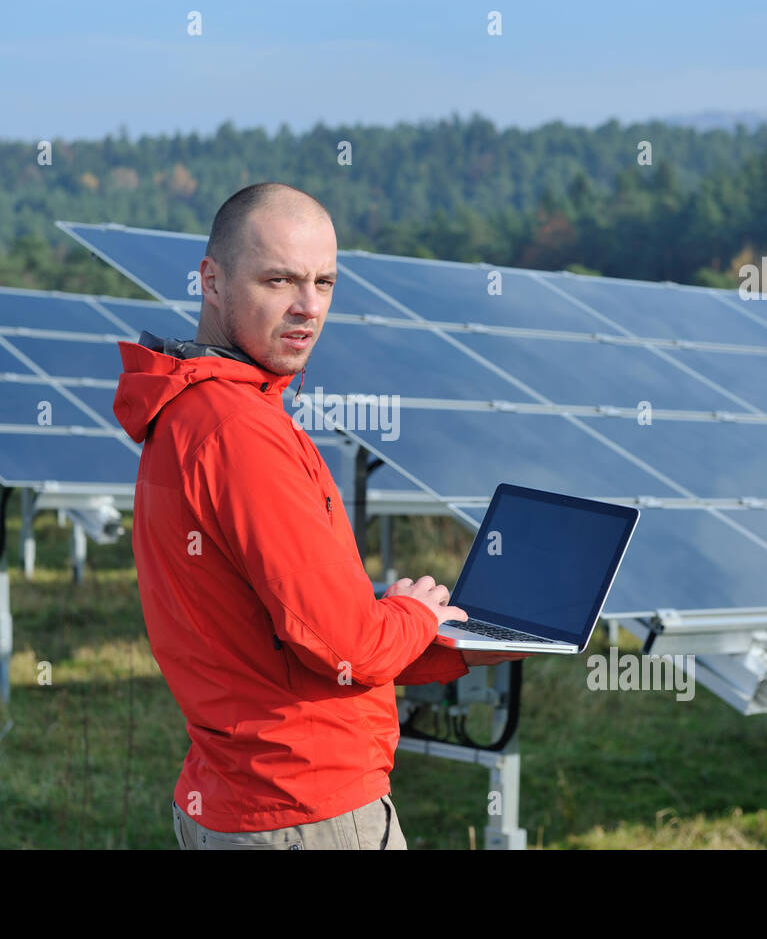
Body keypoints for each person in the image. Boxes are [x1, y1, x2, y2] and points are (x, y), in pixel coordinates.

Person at [113, 182, 525, 850]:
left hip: (238, 794)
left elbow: (278, 633)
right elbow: (345, 648)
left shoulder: (186, 411)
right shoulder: (239, 434)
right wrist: (411, 615)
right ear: (211, 281)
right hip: (304, 810)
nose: (308, 307)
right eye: (278, 280)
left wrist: (441, 640)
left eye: (324, 282)